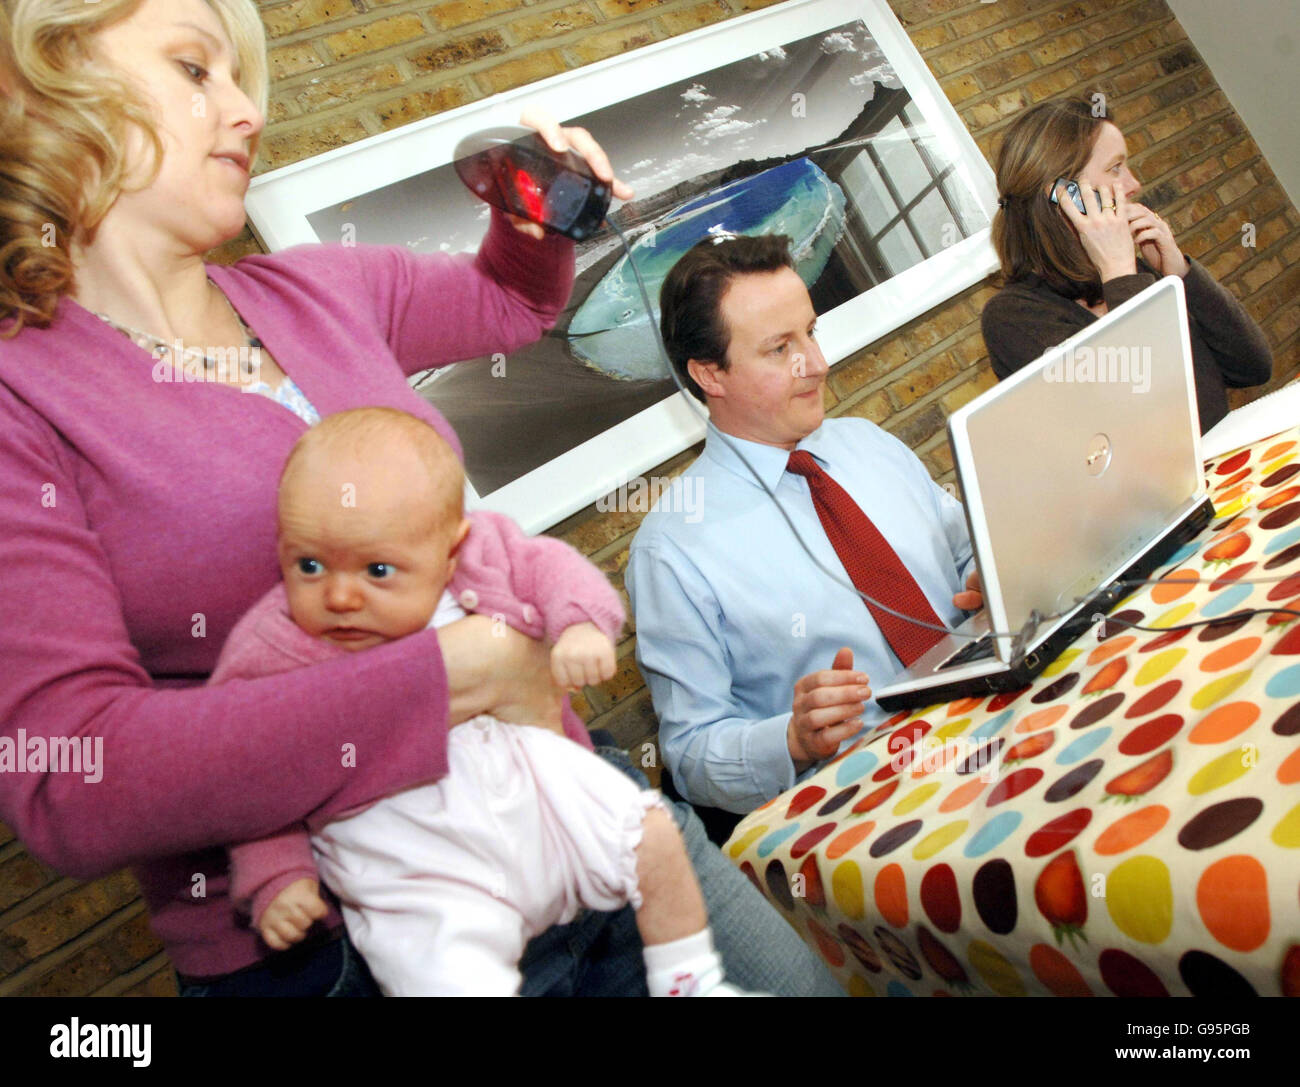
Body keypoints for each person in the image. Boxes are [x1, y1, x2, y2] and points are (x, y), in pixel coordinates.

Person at [0, 0, 844, 997]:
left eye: (240, 79)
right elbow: (71, 775)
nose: (243, 112)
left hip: (573, 806)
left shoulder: (313, 288)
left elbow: (510, 299)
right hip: (349, 941)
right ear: (35, 83)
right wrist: (459, 673)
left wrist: (531, 214)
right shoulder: (22, 396)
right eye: (194, 70)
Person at [213, 407, 753, 997]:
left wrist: (578, 627)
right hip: (416, 870)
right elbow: (252, 777)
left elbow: (551, 568)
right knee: (445, 974)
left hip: (543, 801)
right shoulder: (271, 644)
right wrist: (276, 876)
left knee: (651, 835)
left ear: (450, 551)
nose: (340, 596)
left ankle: (691, 980)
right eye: (308, 564)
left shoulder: (481, 554)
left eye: (377, 569)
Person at [627, 234, 983, 827]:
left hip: (998, 715)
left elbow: (964, 550)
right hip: (877, 805)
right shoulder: (671, 552)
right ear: (710, 374)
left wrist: (984, 576)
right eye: (779, 348)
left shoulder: (869, 443)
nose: (816, 363)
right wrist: (789, 740)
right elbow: (689, 754)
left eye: (811, 333)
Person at [980, 97, 1271, 431]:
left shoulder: (1135, 277)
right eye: (1115, 168)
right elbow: (1154, 417)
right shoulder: (1014, 318)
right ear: (1064, 195)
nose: (1134, 184)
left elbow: (1253, 367)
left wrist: (1181, 275)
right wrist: (1119, 273)